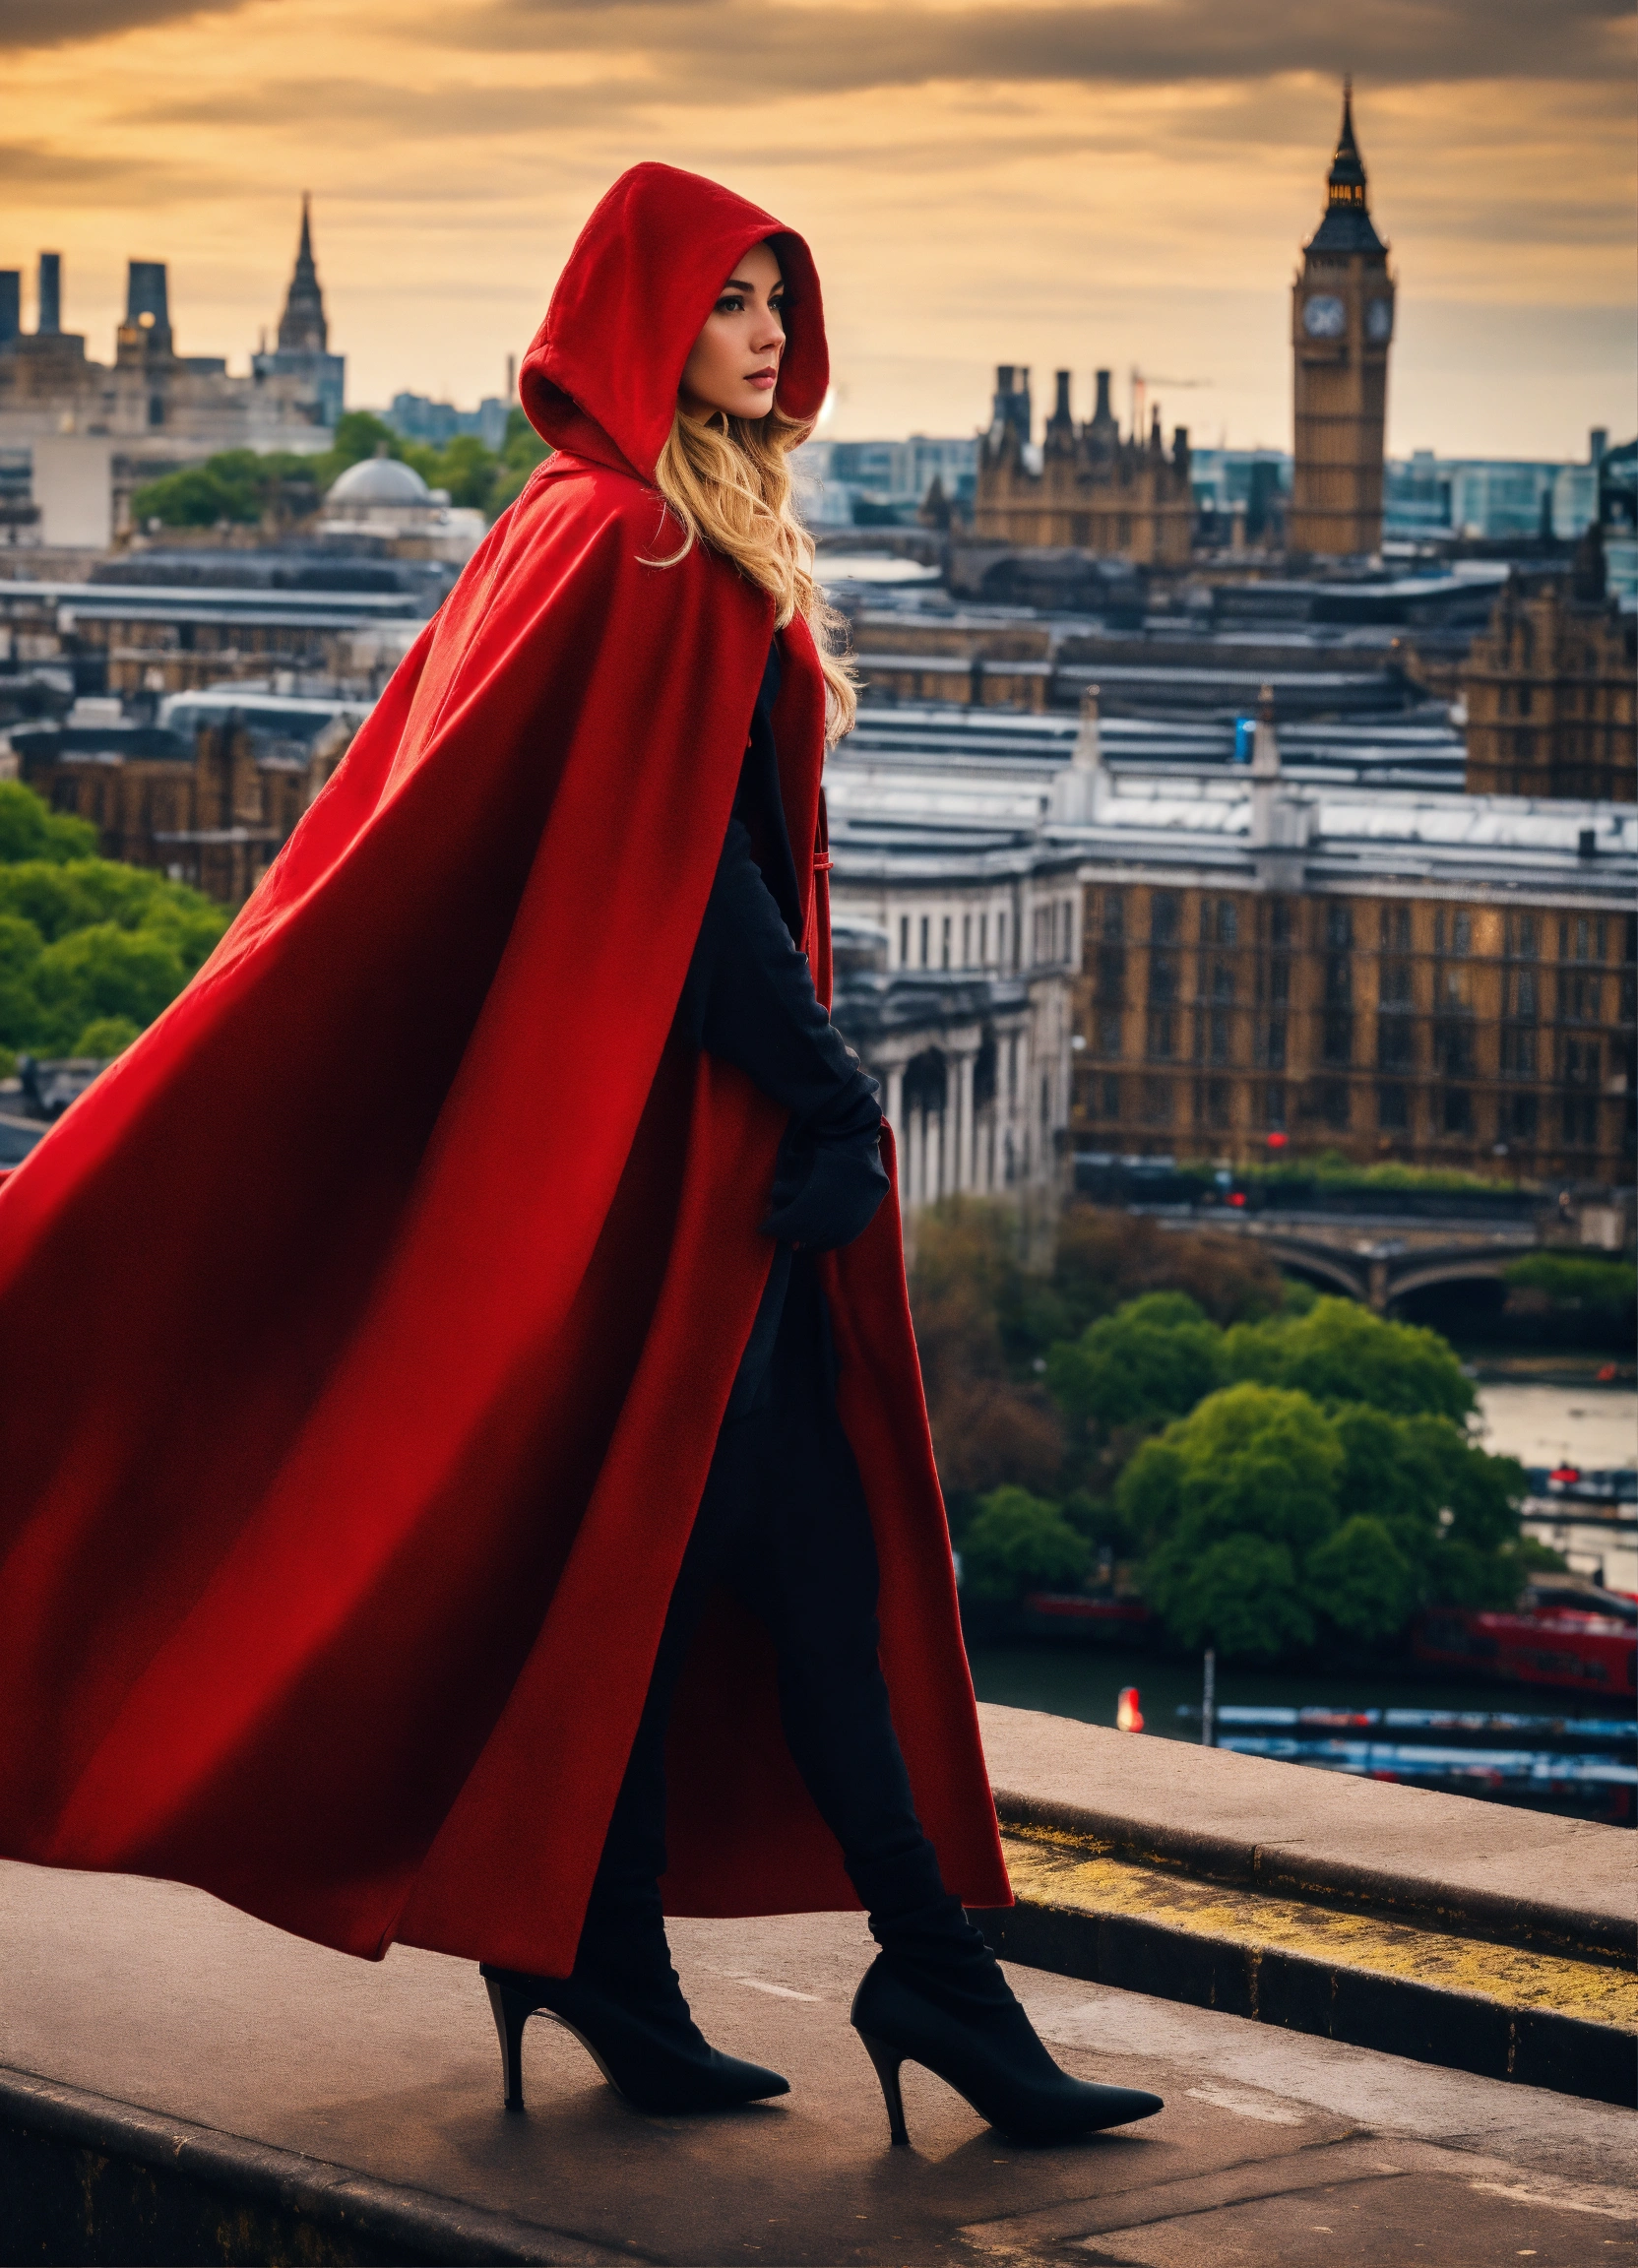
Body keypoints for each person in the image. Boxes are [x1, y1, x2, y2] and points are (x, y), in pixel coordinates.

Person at [0, 166, 1160, 2151]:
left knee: (748, 1564)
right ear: (644, 320)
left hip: (646, 1140)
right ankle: (822, 1970)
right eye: (728, 301)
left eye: (784, 297)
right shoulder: (642, 547)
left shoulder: (580, 526)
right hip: (692, 1160)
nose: (771, 332)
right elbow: (689, 888)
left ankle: (702, 1954)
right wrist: (830, 1096)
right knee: (760, 1559)